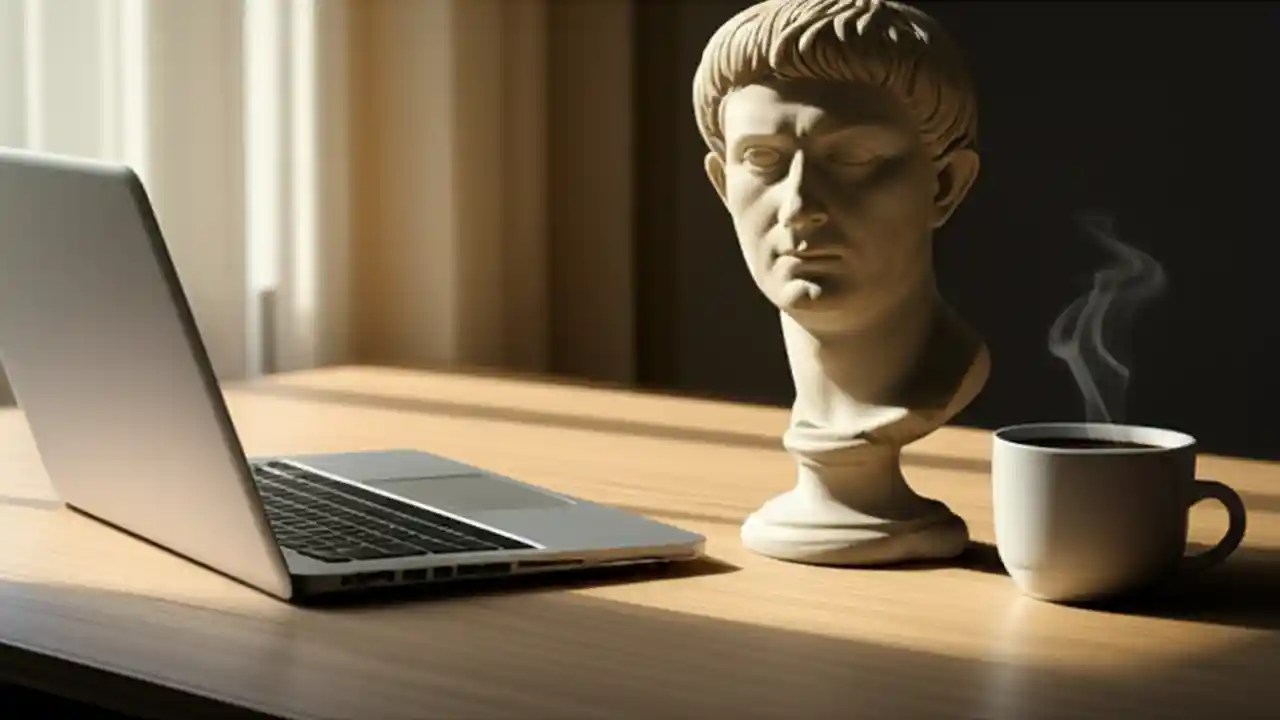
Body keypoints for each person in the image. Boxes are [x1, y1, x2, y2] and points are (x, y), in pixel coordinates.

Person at [693, 0, 989, 565]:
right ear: (723, 185)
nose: (800, 206)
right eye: (762, 158)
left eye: (853, 157)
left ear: (945, 185)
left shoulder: (947, 375)